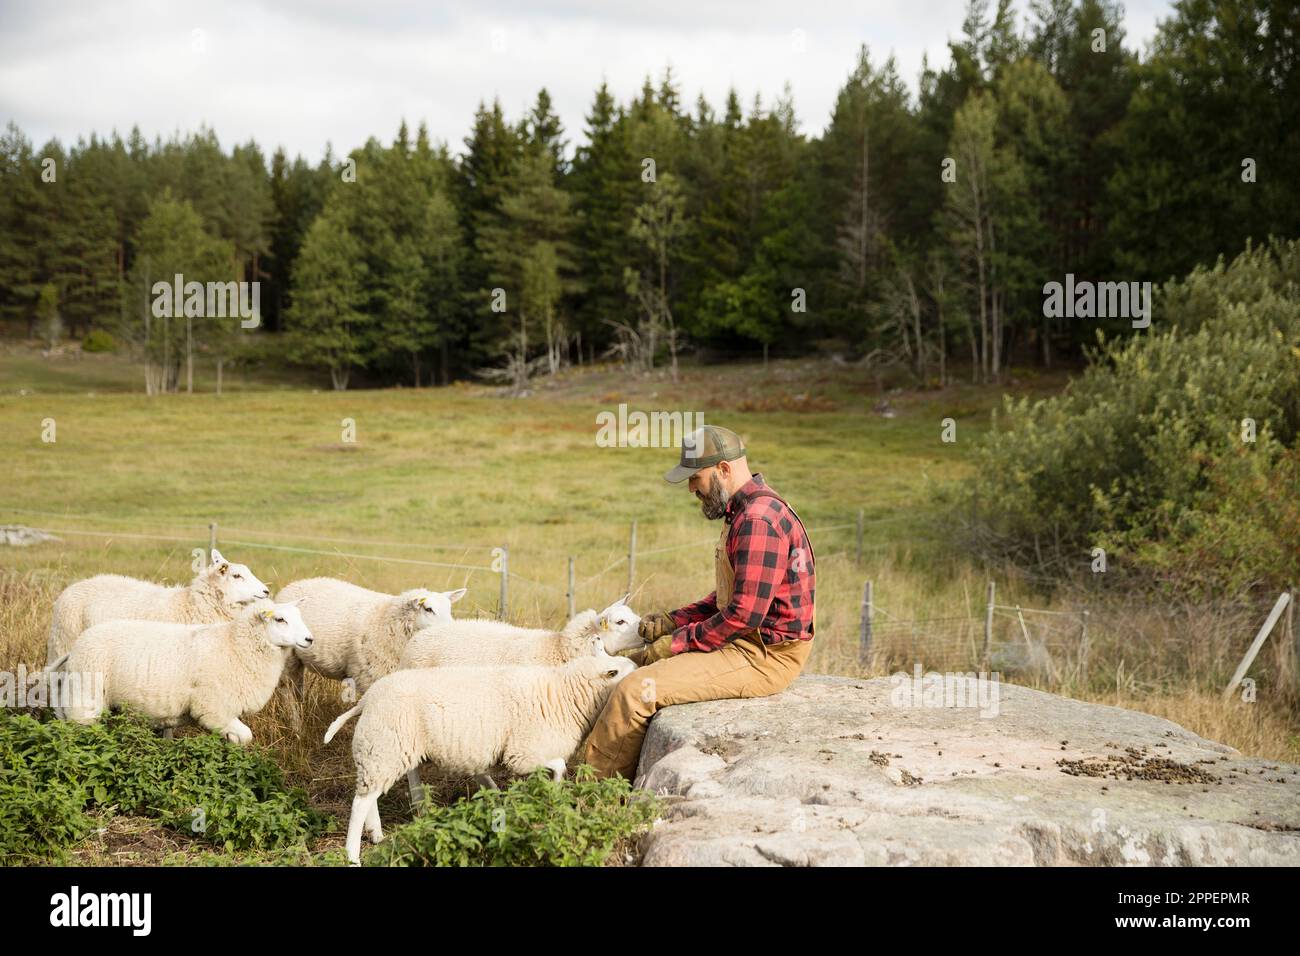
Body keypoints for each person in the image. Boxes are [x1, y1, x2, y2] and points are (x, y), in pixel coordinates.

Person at [581, 424, 816, 780]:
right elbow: (733, 599)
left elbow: (743, 615)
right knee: (633, 662)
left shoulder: (757, 520)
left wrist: (676, 644)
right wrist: (675, 620)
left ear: (723, 469)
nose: (691, 488)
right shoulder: (745, 509)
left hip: (764, 655)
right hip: (748, 642)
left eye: (695, 477)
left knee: (633, 690)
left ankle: (589, 797)